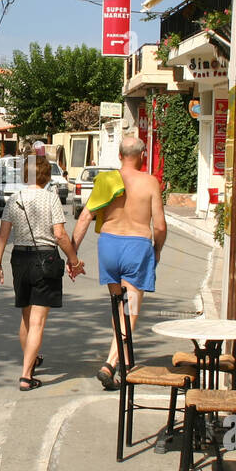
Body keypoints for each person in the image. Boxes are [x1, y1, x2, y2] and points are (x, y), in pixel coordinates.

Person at [71, 136, 166, 389]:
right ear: (143, 155)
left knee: (118, 306)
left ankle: (122, 359)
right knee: (130, 309)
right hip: (136, 249)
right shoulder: (150, 182)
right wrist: (156, 250)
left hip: (109, 247)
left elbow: (84, 217)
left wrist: (73, 255)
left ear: (120, 155)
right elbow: (159, 225)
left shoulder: (105, 180)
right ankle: (111, 362)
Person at [0, 151, 83, 391]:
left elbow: (3, 234)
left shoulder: (15, 199)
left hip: (20, 259)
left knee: (26, 317)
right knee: (38, 322)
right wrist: (73, 260)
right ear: (45, 176)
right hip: (45, 258)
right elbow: (60, 234)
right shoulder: (50, 197)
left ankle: (30, 363)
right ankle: (25, 376)